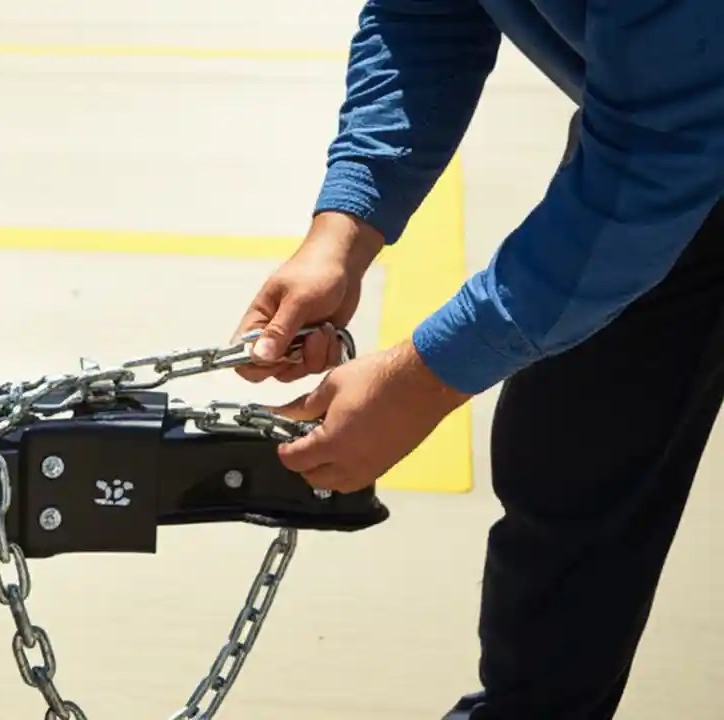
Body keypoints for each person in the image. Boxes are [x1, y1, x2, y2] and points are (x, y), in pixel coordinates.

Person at [232, 1, 724, 718]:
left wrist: (423, 379)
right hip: (675, 136)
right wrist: (342, 231)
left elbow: (661, 153)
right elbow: (427, 13)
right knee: (568, 449)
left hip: (669, 141)